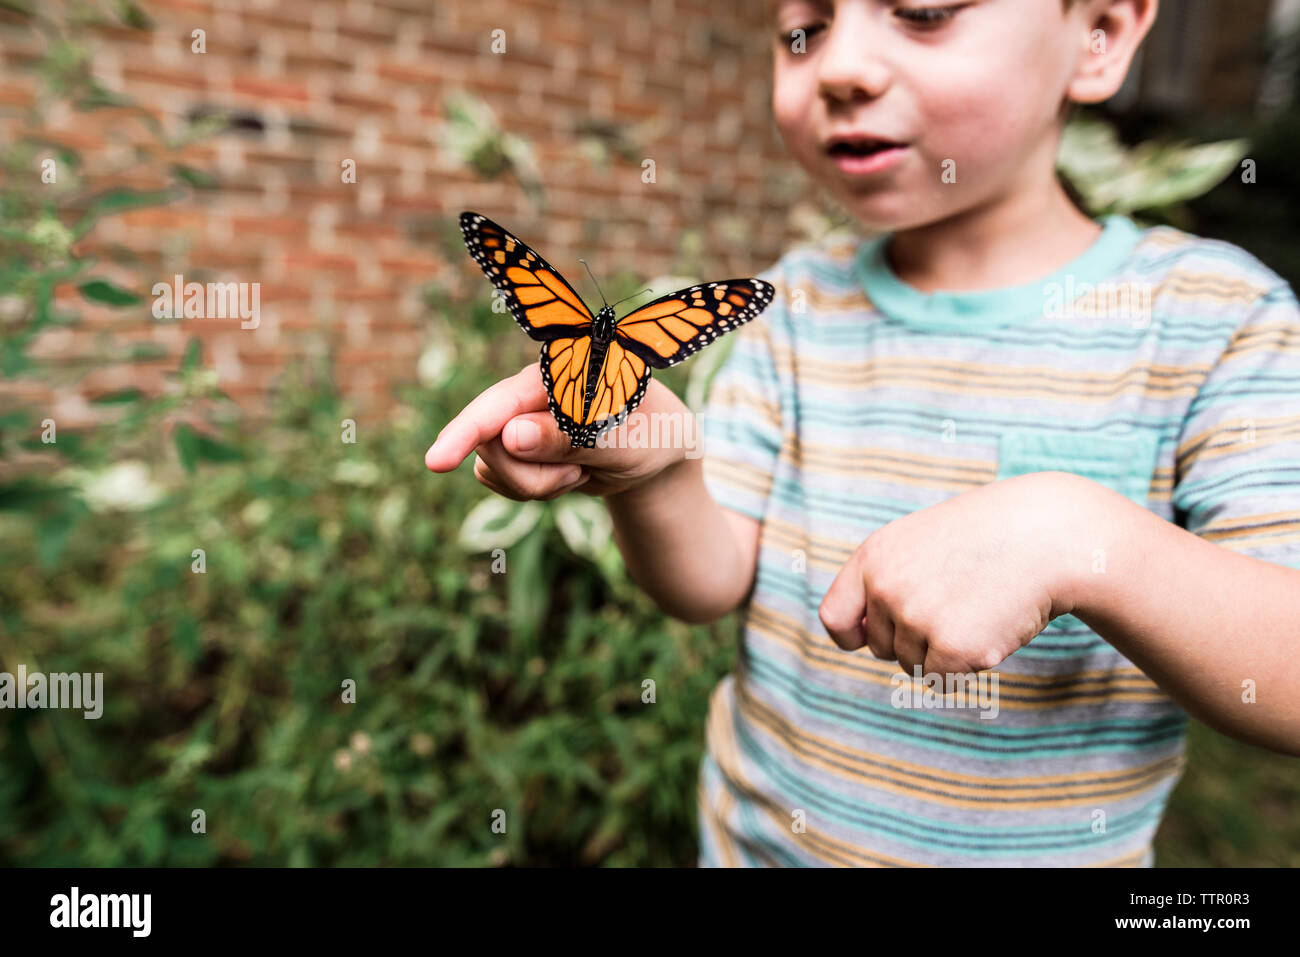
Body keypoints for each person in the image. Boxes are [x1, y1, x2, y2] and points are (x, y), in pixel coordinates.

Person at [426, 0, 1300, 865]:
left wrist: (1081, 538)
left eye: (922, 12)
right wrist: (653, 472)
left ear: (1101, 36)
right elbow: (708, 580)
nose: (838, 67)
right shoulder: (794, 307)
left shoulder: (1215, 320)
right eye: (802, 30)